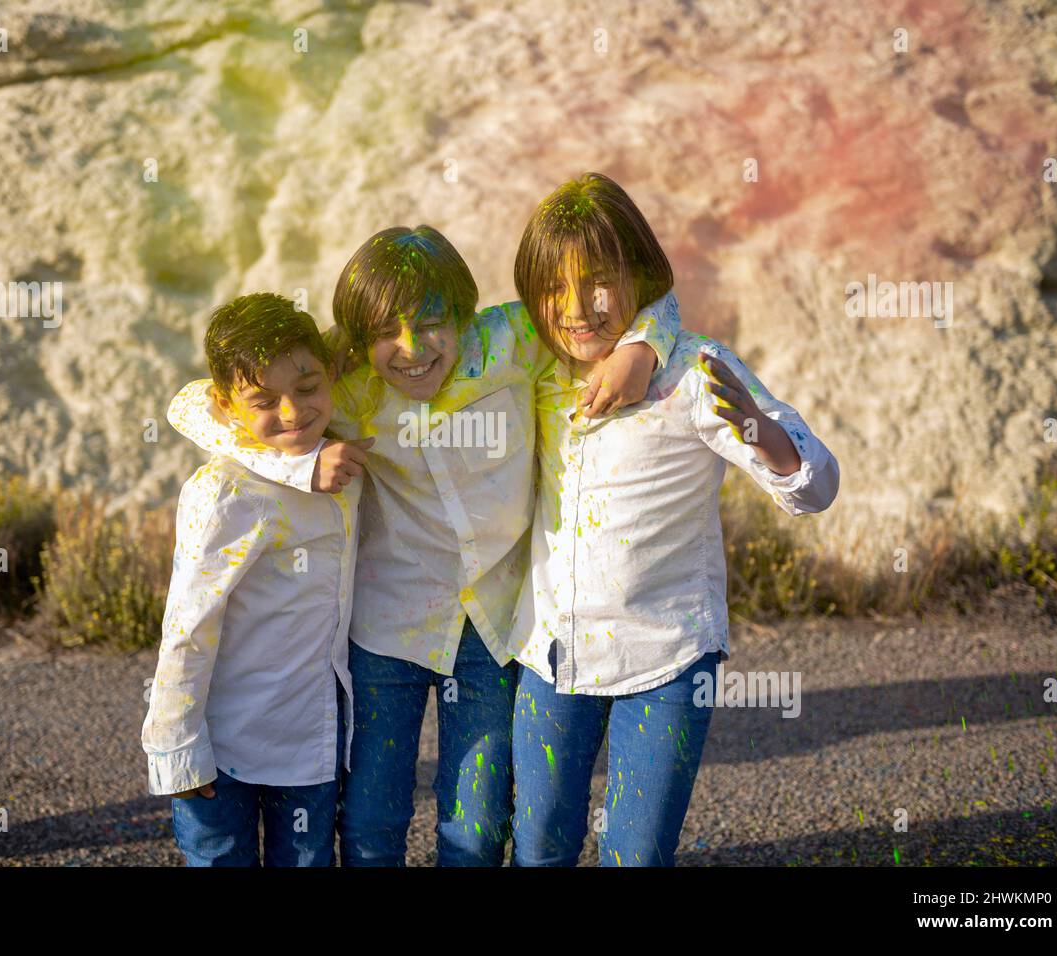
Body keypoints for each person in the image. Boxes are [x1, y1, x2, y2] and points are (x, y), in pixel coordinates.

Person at [167, 223, 674, 865]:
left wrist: (643, 347)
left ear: (464, 312)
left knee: (478, 821)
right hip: (388, 629)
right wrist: (298, 468)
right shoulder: (346, 381)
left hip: (492, 629)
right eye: (385, 334)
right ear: (358, 338)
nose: (410, 348)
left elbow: (636, 302)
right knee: (373, 820)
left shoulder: (510, 342)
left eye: (432, 322)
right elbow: (195, 406)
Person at [509, 172, 840, 866]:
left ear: (639, 269)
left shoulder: (694, 371)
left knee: (637, 853)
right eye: (555, 288)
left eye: (597, 280)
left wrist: (759, 431)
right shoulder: (533, 366)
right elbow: (440, 353)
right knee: (539, 843)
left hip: (666, 656)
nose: (575, 308)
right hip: (551, 652)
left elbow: (816, 487)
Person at [141, 292, 360, 867]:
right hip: (224, 746)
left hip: (311, 741)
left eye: (308, 389)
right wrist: (175, 745)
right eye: (264, 400)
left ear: (330, 374)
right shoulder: (224, 494)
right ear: (227, 405)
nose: (292, 412)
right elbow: (187, 627)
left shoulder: (342, 464)